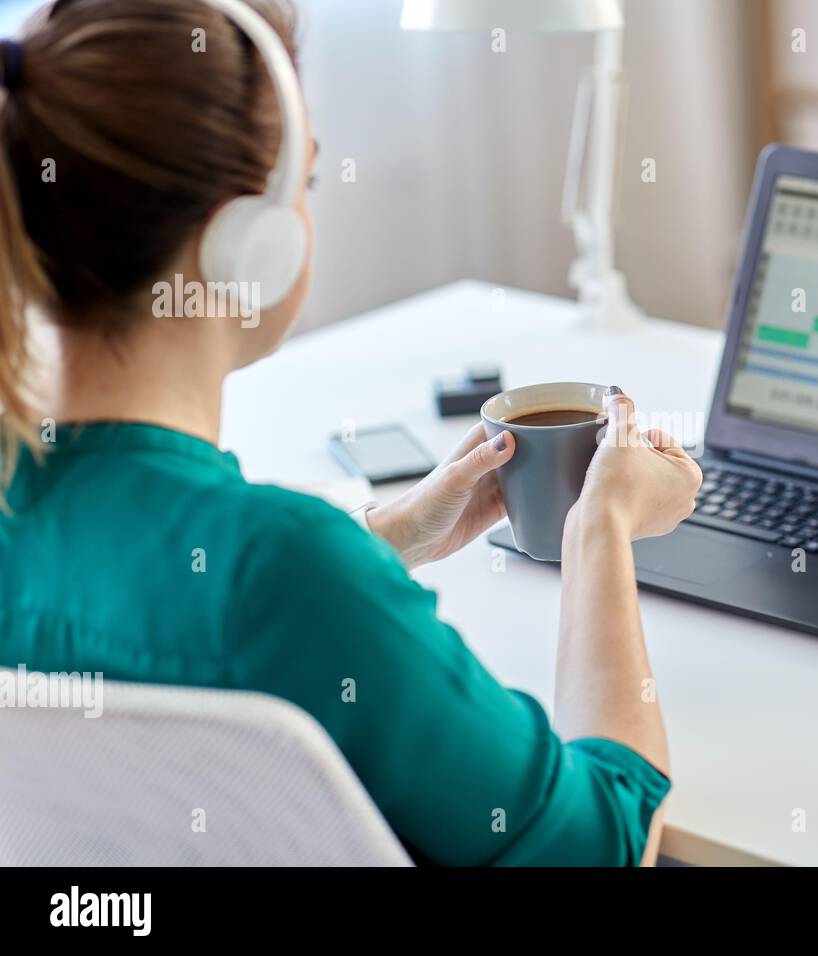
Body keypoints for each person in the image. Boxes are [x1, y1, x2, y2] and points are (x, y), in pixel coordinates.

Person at [0, 0, 701, 866]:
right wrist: (603, 528)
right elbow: (603, 845)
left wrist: (382, 541)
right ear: (245, 242)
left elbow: (175, 606)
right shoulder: (283, 568)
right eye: (308, 183)